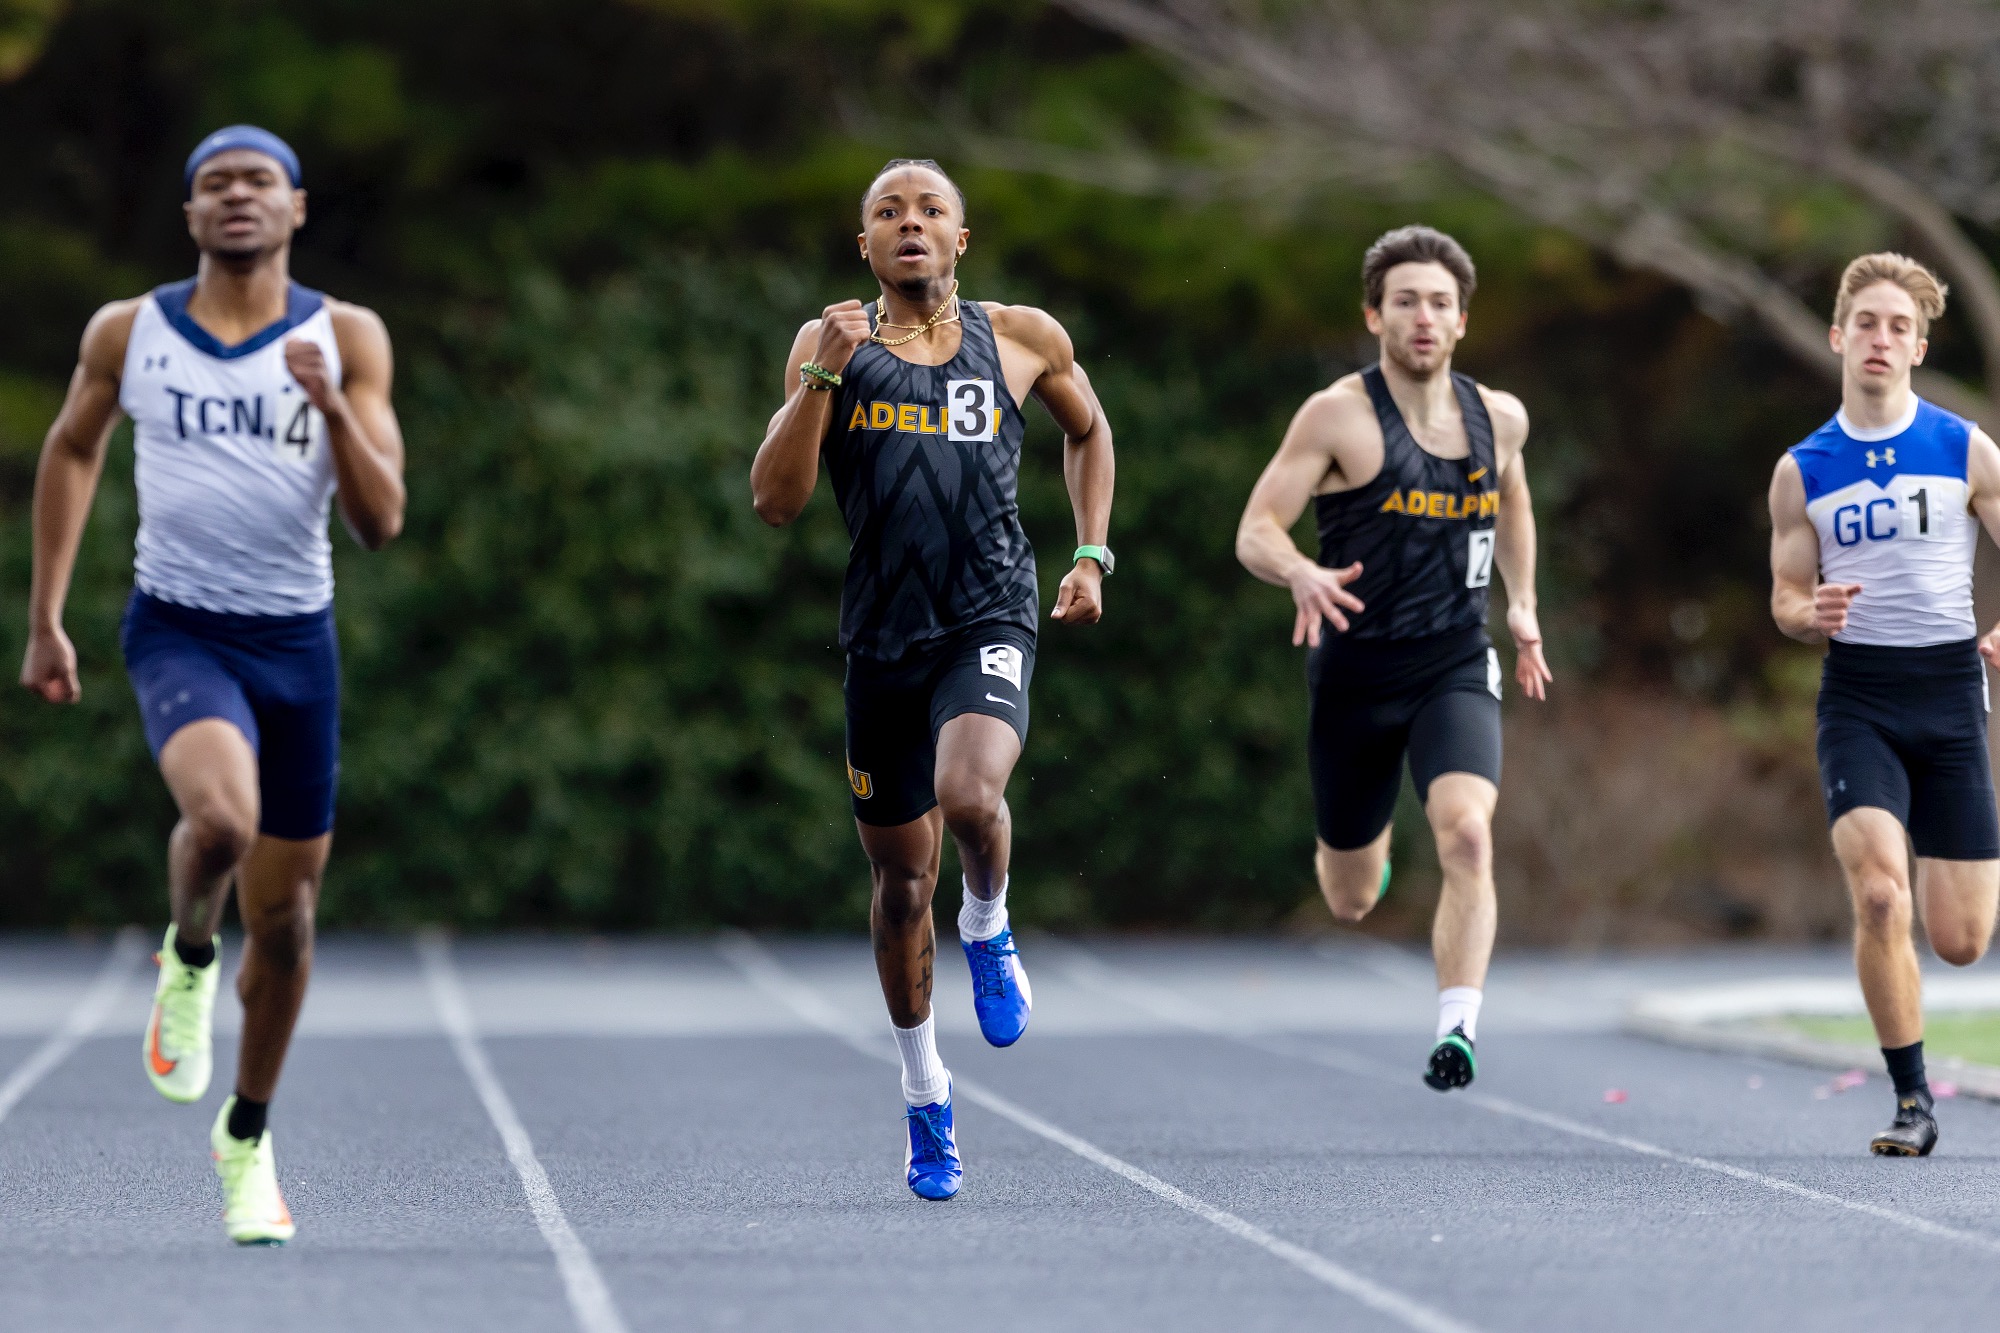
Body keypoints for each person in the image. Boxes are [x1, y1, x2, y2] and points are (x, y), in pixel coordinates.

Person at [20, 126, 406, 1241]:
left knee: (285, 924)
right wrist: (46, 617)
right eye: (213, 185)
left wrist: (329, 406)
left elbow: (379, 524)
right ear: (190, 216)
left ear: (295, 207)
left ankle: (246, 1133)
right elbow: (73, 448)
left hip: (298, 645)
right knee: (223, 823)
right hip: (179, 631)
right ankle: (188, 950)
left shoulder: (346, 336)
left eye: (257, 182)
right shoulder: (128, 331)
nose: (236, 198)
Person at [751, 159, 1114, 1200]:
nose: (909, 223)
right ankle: (924, 1096)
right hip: (882, 637)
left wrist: (1090, 553)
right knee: (900, 878)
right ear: (860, 246)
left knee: (971, 795)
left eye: (930, 212)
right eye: (886, 213)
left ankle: (990, 918)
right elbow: (775, 501)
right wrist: (822, 371)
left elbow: (1087, 433)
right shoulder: (830, 350)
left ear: (962, 241)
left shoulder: (1023, 337)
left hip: (989, 612)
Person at [1235, 225, 1550, 1091]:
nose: (1423, 317)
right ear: (1374, 313)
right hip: (1355, 673)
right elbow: (1255, 528)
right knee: (1351, 897)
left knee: (1470, 838)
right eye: (1406, 300)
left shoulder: (1502, 418)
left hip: (1453, 661)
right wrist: (1299, 569)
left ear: (1461, 323)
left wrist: (1520, 604)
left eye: (1440, 303)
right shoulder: (1337, 414)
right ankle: (1356, 844)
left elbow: (1514, 502)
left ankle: (1458, 1028)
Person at [1768, 252, 2000, 1158]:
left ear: (1918, 345)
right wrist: (1806, 612)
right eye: (1866, 320)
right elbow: (1786, 595)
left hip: (1948, 696)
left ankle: (1919, 1057)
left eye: (1899, 325)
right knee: (1877, 893)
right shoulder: (1804, 468)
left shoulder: (1963, 447)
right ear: (1838, 335)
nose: (1881, 337)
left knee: (1962, 939)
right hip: (1858, 695)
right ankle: (1912, 1098)